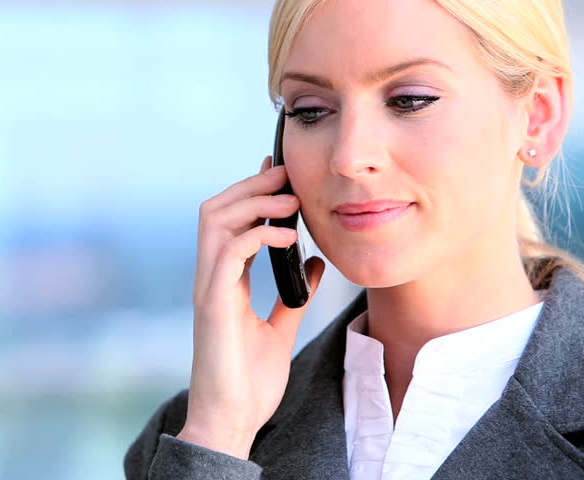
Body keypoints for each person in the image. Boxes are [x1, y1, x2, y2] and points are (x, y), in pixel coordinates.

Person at [123, 0, 584, 478]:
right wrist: (221, 432)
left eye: (410, 100)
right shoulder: (192, 439)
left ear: (538, 116)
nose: (348, 156)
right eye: (310, 110)